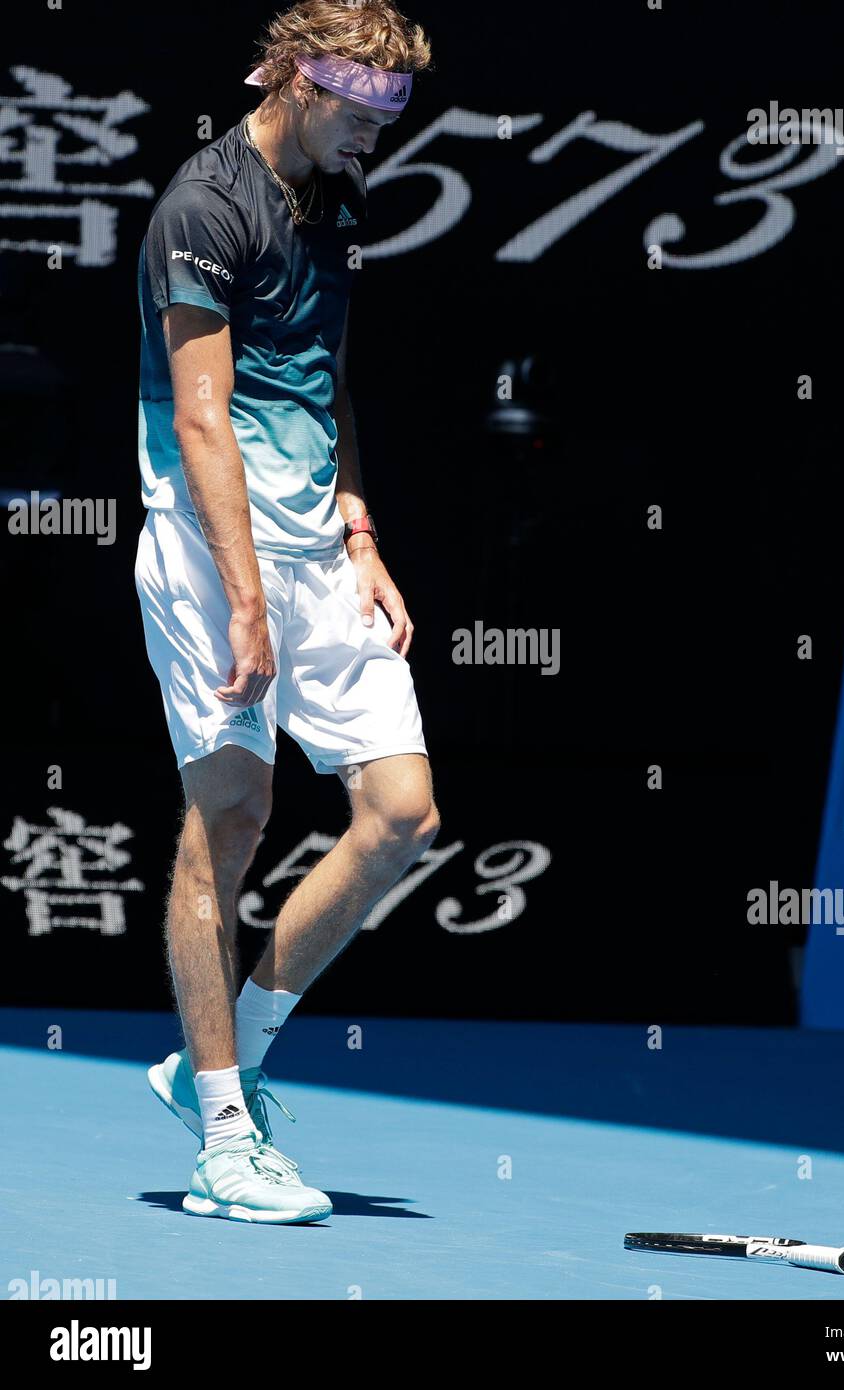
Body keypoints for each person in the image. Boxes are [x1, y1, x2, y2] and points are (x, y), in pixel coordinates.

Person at [134, 1, 436, 1224]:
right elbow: (205, 419)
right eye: (358, 110)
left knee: (401, 812)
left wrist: (359, 529)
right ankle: (220, 1137)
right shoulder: (201, 209)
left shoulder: (337, 199)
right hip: (215, 558)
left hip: (318, 551)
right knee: (233, 816)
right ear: (291, 80)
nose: (375, 133)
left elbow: (325, 377)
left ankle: (230, 1058)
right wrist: (247, 603)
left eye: (392, 115)